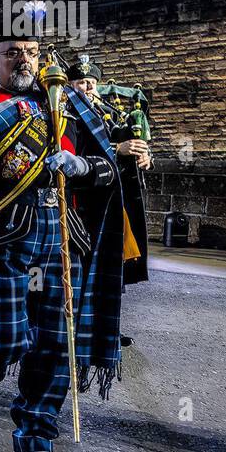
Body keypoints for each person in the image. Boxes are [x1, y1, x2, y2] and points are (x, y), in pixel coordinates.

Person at [0, 39, 124, 452]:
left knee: (55, 345)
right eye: (11, 51)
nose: (22, 58)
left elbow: (107, 166)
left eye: (30, 50)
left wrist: (81, 167)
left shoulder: (69, 106)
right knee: (6, 338)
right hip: (3, 232)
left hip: (61, 235)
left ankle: (35, 442)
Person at [69, 55, 150, 347]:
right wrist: (118, 150)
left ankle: (107, 327)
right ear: (70, 85)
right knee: (86, 266)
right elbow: (74, 154)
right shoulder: (66, 114)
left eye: (92, 81)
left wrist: (144, 156)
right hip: (84, 202)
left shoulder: (106, 113)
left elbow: (128, 142)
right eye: (81, 82)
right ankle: (78, 328)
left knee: (112, 266)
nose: (88, 87)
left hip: (115, 200)